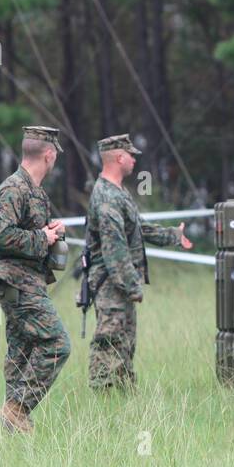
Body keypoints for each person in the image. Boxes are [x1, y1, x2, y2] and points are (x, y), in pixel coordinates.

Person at [85, 133, 194, 390]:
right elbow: (115, 250)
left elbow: (138, 229)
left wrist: (173, 236)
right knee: (109, 340)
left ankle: (122, 396)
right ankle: (104, 398)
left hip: (118, 284)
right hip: (111, 283)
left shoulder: (117, 193)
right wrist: (132, 285)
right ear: (119, 157)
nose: (134, 159)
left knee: (125, 343)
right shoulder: (107, 198)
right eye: (131, 155)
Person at [0, 126, 72, 433]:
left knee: (20, 353)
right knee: (58, 343)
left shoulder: (37, 192)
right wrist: (41, 236)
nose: (56, 160)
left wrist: (52, 234)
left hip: (27, 282)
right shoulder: (14, 188)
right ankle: (16, 409)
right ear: (48, 155)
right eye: (55, 156)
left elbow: (28, 235)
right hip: (14, 283)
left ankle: (13, 427)